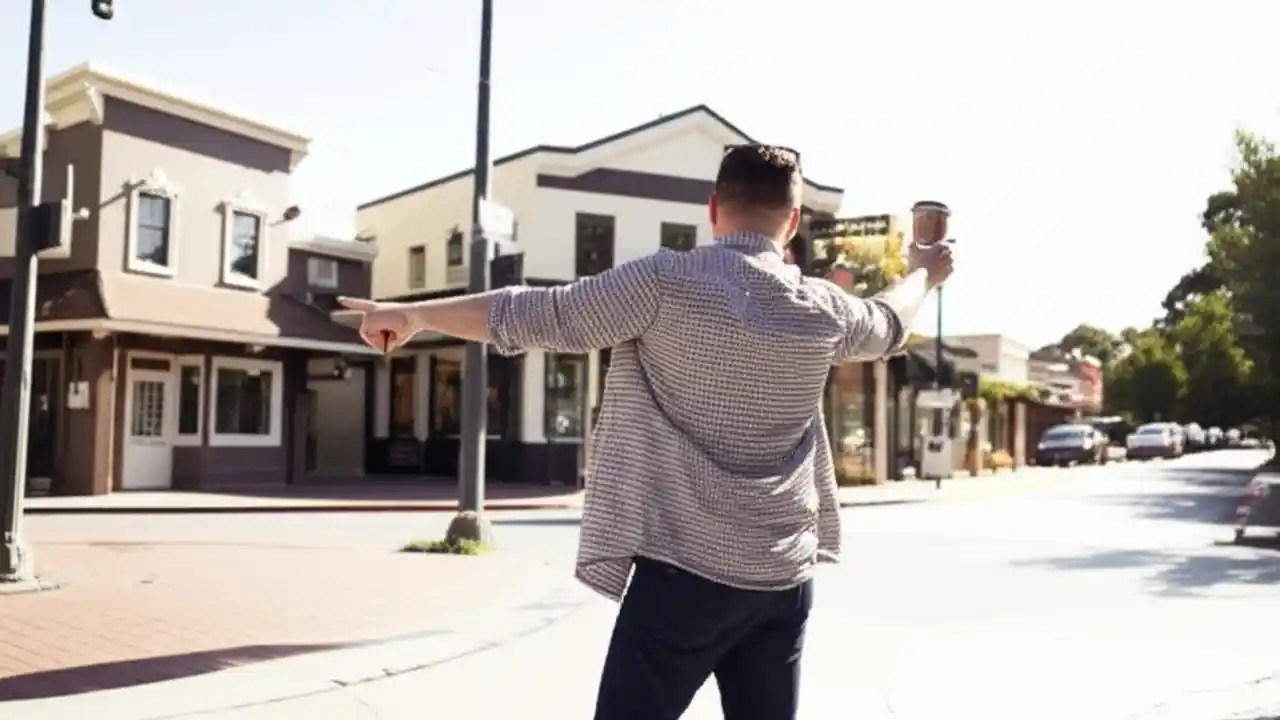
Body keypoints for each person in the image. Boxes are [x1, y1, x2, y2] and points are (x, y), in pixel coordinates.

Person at [339, 145, 953, 720]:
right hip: (783, 579)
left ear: (713, 211)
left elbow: (529, 313)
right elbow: (889, 322)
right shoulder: (825, 308)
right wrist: (923, 271)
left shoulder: (663, 282)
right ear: (792, 222)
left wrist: (414, 313)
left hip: (682, 578)